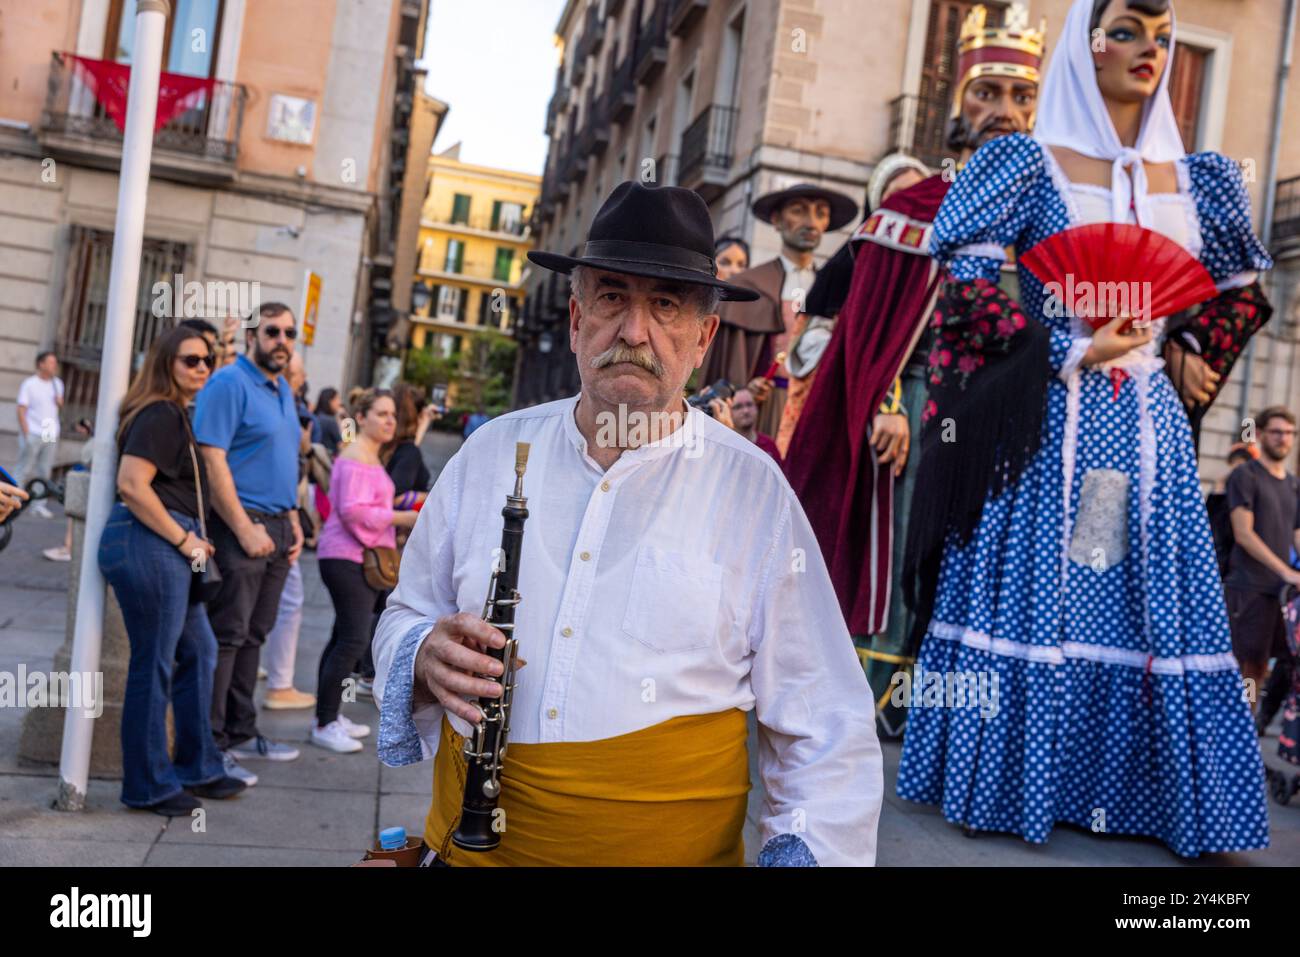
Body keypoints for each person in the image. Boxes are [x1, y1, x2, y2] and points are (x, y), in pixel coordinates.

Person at [373, 181, 882, 867]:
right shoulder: (491, 453)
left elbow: (825, 724)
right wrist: (421, 651)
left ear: (703, 337)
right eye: (612, 297)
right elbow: (405, 611)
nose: (634, 331)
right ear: (578, 320)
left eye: (665, 305)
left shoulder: (753, 490)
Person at [896, 0, 1273, 857]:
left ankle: (1132, 791)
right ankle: (1031, 780)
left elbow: (1238, 293)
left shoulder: (1199, 178)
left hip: (1148, 426)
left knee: (1128, 586)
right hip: (1055, 412)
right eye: (1128, 29)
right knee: (1059, 587)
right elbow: (969, 295)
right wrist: (1069, 346)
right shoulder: (1026, 164)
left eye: (1163, 34)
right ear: (1086, 42)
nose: (1150, 49)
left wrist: (1187, 354)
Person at [785, 5, 1044, 738]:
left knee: (991, 558)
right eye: (987, 93)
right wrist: (888, 400)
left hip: (1020, 415)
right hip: (929, 401)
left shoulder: (1051, 205)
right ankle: (883, 692)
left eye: (1021, 97)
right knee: (910, 550)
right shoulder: (916, 204)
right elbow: (872, 324)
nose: (1004, 111)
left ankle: (968, 711)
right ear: (958, 103)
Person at [97, 326, 245, 815]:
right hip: (151, 542)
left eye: (207, 359)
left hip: (171, 544)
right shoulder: (159, 413)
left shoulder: (178, 413)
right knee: (154, 663)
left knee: (199, 650)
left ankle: (197, 765)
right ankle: (147, 785)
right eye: (190, 360)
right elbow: (132, 485)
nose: (202, 367)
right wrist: (185, 540)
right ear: (166, 363)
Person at [193, 302, 306, 784]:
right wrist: (242, 528)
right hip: (243, 527)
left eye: (289, 333)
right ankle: (210, 744)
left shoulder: (281, 387)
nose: (282, 340)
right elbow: (212, 459)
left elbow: (283, 457)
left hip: (280, 526)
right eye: (273, 331)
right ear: (252, 337)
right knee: (228, 636)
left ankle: (241, 730)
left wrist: (294, 520)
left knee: (255, 634)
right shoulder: (228, 383)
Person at [698, 182, 859, 438]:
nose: (811, 223)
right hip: (761, 413)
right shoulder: (748, 285)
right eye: (799, 211)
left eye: (820, 213)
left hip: (816, 411)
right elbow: (726, 365)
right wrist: (743, 388)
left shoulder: (833, 286)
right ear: (776, 219)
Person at [312, 389, 418, 752]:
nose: (390, 421)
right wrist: (402, 517)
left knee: (342, 637)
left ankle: (327, 717)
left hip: (357, 555)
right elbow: (353, 512)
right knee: (353, 639)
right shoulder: (356, 455)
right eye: (382, 414)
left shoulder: (369, 454)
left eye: (393, 414)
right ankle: (325, 723)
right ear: (362, 416)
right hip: (347, 556)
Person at [1224, 407, 1300, 713]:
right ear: (1261, 434)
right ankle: (1235, 739)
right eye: (1276, 432)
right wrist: (1286, 572)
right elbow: (1244, 533)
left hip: (1279, 596)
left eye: (1289, 433)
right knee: (1244, 669)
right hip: (1248, 587)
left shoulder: (1294, 484)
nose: (1283, 439)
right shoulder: (1246, 475)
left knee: (1264, 668)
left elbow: (1296, 532)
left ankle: (1248, 738)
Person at [260, 353, 318, 711]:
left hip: (288, 508)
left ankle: (274, 677)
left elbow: (304, 453)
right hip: (269, 512)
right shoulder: (285, 405)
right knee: (284, 599)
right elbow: (301, 449)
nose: (298, 376)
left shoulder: (298, 407)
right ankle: (279, 682)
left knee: (278, 600)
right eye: (295, 372)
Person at [14, 351, 64, 517]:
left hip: (49, 428)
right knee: (24, 467)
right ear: (40, 364)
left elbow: (58, 406)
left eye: (54, 362)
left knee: (44, 470)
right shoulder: (30, 384)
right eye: (50, 362)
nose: (53, 366)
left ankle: (38, 504)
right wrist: (26, 432)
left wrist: (59, 401)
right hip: (33, 429)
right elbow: (21, 409)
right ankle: (14, 500)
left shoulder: (57, 383)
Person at [710, 387, 781, 466]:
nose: (745, 411)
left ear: (756, 408)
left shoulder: (770, 445)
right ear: (728, 411)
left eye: (749, 404)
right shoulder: (725, 446)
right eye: (738, 406)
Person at [314, 387, 344, 456]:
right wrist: (346, 419)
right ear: (330, 401)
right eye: (337, 399)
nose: (339, 402)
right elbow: (345, 445)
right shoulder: (330, 421)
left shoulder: (316, 416)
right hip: (329, 460)